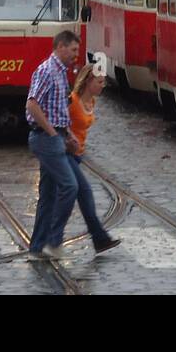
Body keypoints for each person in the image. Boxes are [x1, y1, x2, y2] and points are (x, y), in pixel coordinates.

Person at [25, 29, 81, 261]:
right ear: (60, 47)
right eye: (74, 50)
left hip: (56, 136)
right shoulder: (47, 71)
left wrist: (67, 134)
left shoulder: (61, 73)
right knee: (70, 186)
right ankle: (54, 240)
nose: (76, 55)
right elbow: (32, 105)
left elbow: (55, 109)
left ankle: (37, 248)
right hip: (46, 139)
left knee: (47, 195)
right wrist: (53, 134)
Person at [65, 63, 121, 256]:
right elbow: (58, 123)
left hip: (77, 155)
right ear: (88, 82)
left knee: (57, 199)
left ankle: (46, 240)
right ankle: (99, 238)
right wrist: (68, 136)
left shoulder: (92, 102)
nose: (103, 85)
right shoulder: (72, 101)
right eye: (99, 82)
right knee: (85, 193)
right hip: (65, 154)